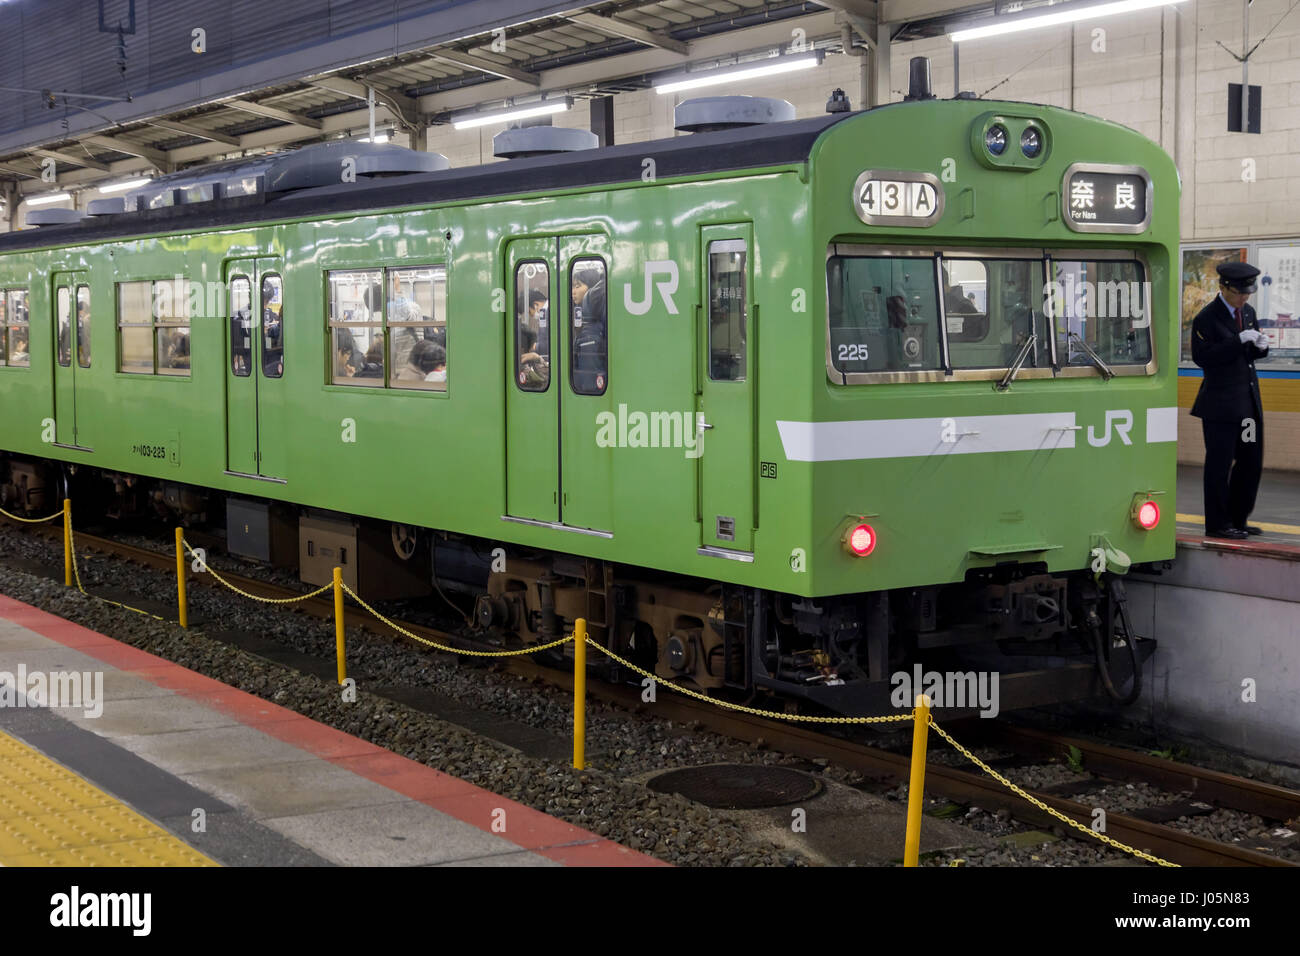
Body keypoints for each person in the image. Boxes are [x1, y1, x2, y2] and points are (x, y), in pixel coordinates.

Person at [1190, 261, 1269, 540]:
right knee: (1219, 465)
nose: (1245, 297)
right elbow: (1204, 358)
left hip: (1247, 407)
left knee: (1250, 461)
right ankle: (1217, 523)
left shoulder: (1248, 313)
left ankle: (1238, 518)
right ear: (1223, 287)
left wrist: (1261, 346)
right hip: (1220, 408)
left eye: (1248, 292)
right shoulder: (1206, 318)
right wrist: (1237, 341)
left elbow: (1248, 357)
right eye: (1239, 292)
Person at [571, 265, 606, 390]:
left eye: (578, 286)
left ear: (592, 288)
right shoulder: (581, 319)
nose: (573, 291)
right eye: (572, 287)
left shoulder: (591, 328)